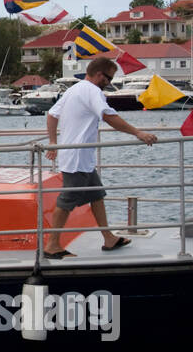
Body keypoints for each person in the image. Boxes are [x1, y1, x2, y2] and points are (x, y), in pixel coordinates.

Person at [42, 57, 157, 258]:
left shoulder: (74, 89)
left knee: (97, 195)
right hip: (77, 157)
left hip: (80, 156)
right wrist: (138, 133)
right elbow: (108, 116)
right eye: (109, 78)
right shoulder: (92, 91)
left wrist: (54, 142)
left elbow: (52, 115)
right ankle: (52, 244)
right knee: (66, 199)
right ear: (98, 74)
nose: (109, 83)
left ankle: (108, 238)